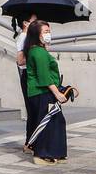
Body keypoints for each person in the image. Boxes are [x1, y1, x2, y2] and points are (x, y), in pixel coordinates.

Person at [23, 20, 70, 164]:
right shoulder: (38, 52)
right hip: (42, 92)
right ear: (36, 35)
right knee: (47, 123)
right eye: (45, 32)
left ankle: (55, 152)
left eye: (49, 31)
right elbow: (44, 77)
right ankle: (42, 154)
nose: (49, 34)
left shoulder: (37, 50)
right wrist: (58, 94)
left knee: (55, 122)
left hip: (40, 92)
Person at [13, 13, 40, 152]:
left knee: (35, 110)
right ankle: (29, 143)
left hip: (32, 76)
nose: (36, 24)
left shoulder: (29, 38)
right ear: (25, 23)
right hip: (27, 75)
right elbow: (20, 61)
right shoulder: (23, 38)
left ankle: (32, 141)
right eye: (34, 21)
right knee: (32, 110)